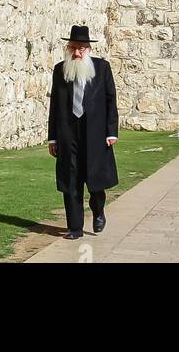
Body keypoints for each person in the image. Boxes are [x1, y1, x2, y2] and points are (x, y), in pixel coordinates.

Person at [47, 25, 118, 240]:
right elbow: (55, 106)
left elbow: (110, 100)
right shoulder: (60, 70)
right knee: (71, 181)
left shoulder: (102, 68)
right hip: (68, 134)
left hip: (96, 134)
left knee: (95, 182)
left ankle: (98, 212)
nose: (76, 53)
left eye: (80, 48)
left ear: (88, 49)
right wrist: (53, 137)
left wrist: (111, 131)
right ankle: (75, 228)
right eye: (72, 48)